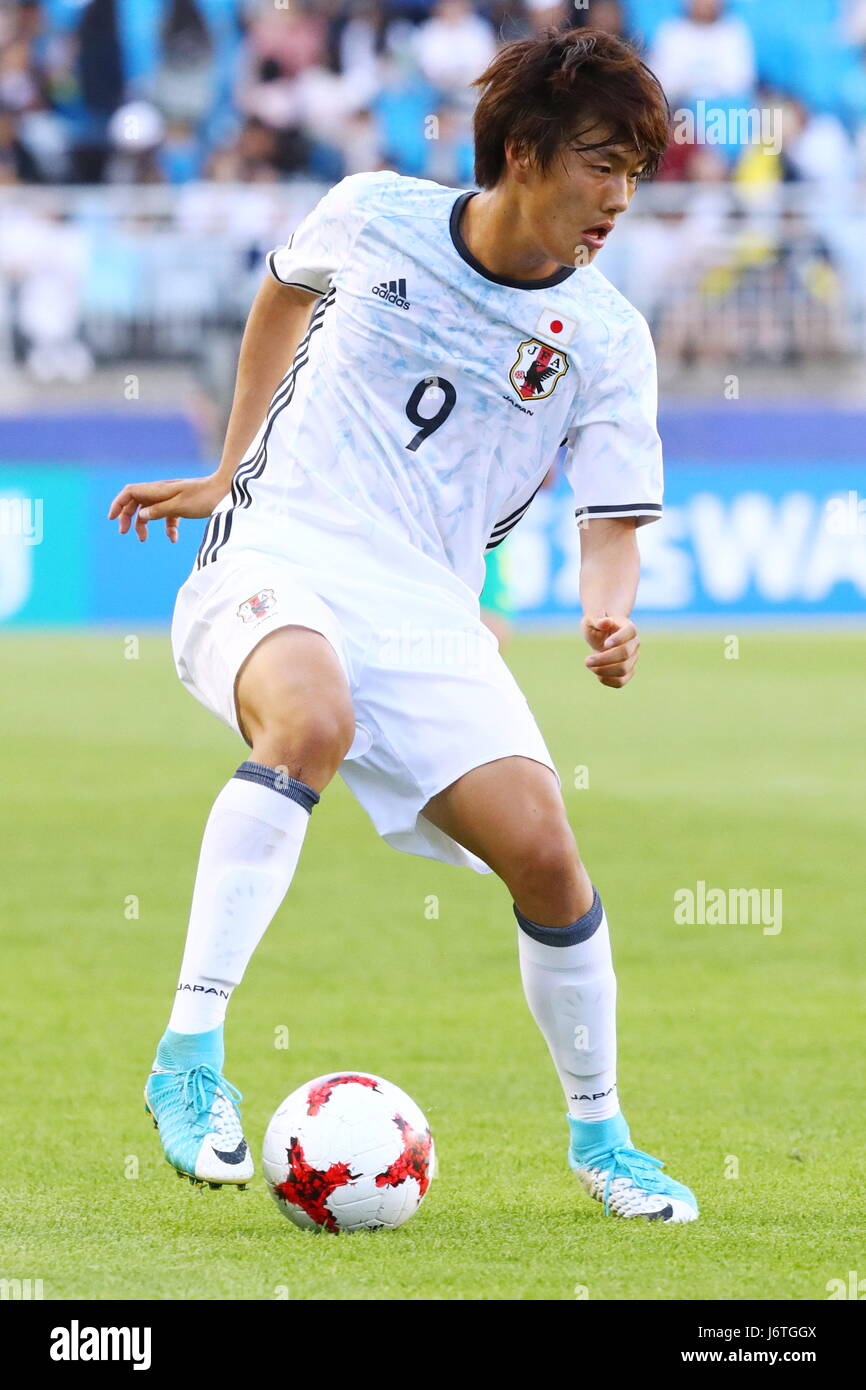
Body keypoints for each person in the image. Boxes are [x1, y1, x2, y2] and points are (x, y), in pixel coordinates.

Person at [109, 26, 698, 1223]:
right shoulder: (374, 213)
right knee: (309, 720)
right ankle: (189, 1056)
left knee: (544, 852)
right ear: (522, 154)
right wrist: (231, 473)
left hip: (428, 606)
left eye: (634, 171)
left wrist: (606, 613)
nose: (619, 198)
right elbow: (280, 290)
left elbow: (610, 522)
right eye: (600, 163)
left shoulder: (604, 338)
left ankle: (601, 1140)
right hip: (283, 548)